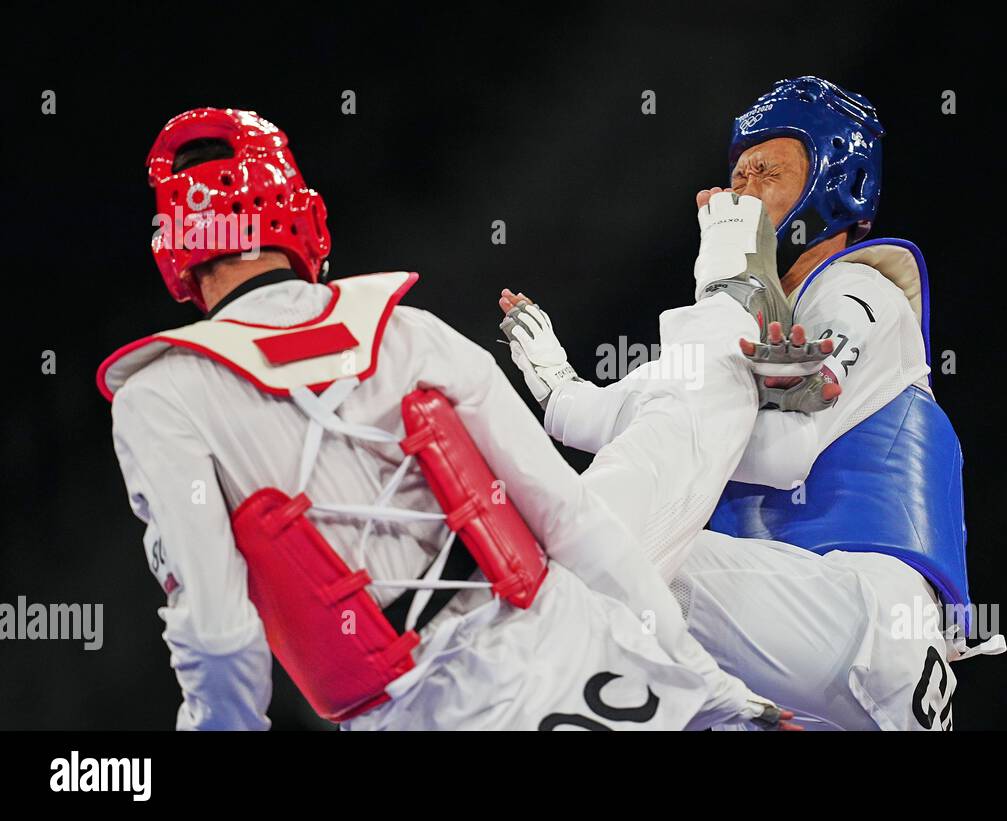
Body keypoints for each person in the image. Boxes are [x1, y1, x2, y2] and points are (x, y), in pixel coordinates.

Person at [98, 107, 794, 731]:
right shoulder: (407, 332)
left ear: (176, 248)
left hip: (422, 709)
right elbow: (573, 519)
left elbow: (219, 638)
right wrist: (716, 695)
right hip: (598, 672)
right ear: (303, 216)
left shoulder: (162, 397)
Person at [502, 77, 1004, 731]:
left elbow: (780, 449)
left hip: (868, 627)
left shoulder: (862, 294)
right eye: (737, 175)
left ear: (837, 186)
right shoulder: (750, 333)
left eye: (768, 172)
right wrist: (561, 392)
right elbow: (662, 410)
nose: (743, 192)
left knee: (615, 565)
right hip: (822, 667)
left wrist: (728, 284)